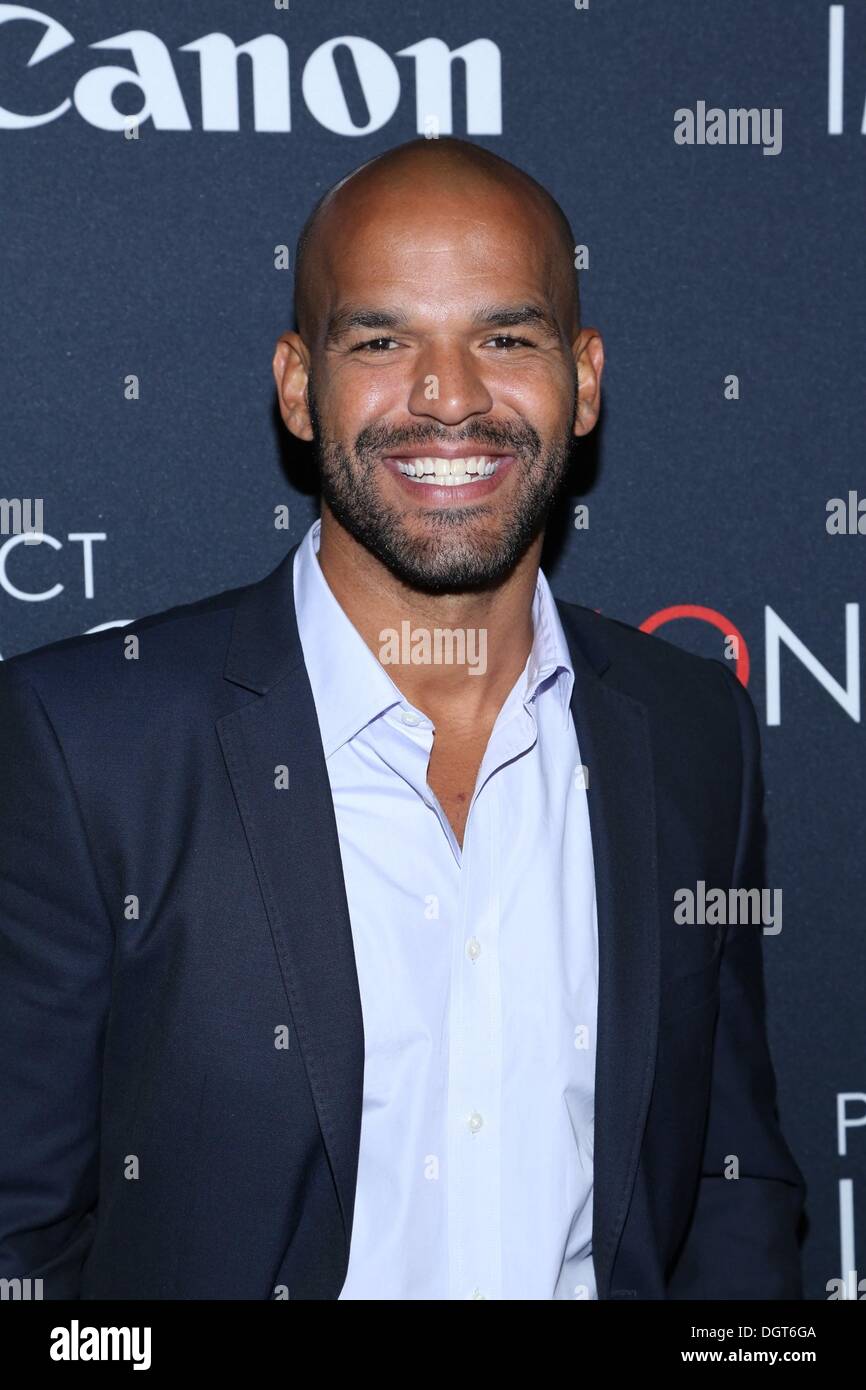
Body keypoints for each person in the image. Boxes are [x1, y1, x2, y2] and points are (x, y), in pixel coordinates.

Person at [0, 136, 805, 1300]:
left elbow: (726, 1183)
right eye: (381, 340)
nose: (448, 397)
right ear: (295, 383)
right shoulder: (87, 745)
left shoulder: (689, 734)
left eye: (504, 337)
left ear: (583, 381)